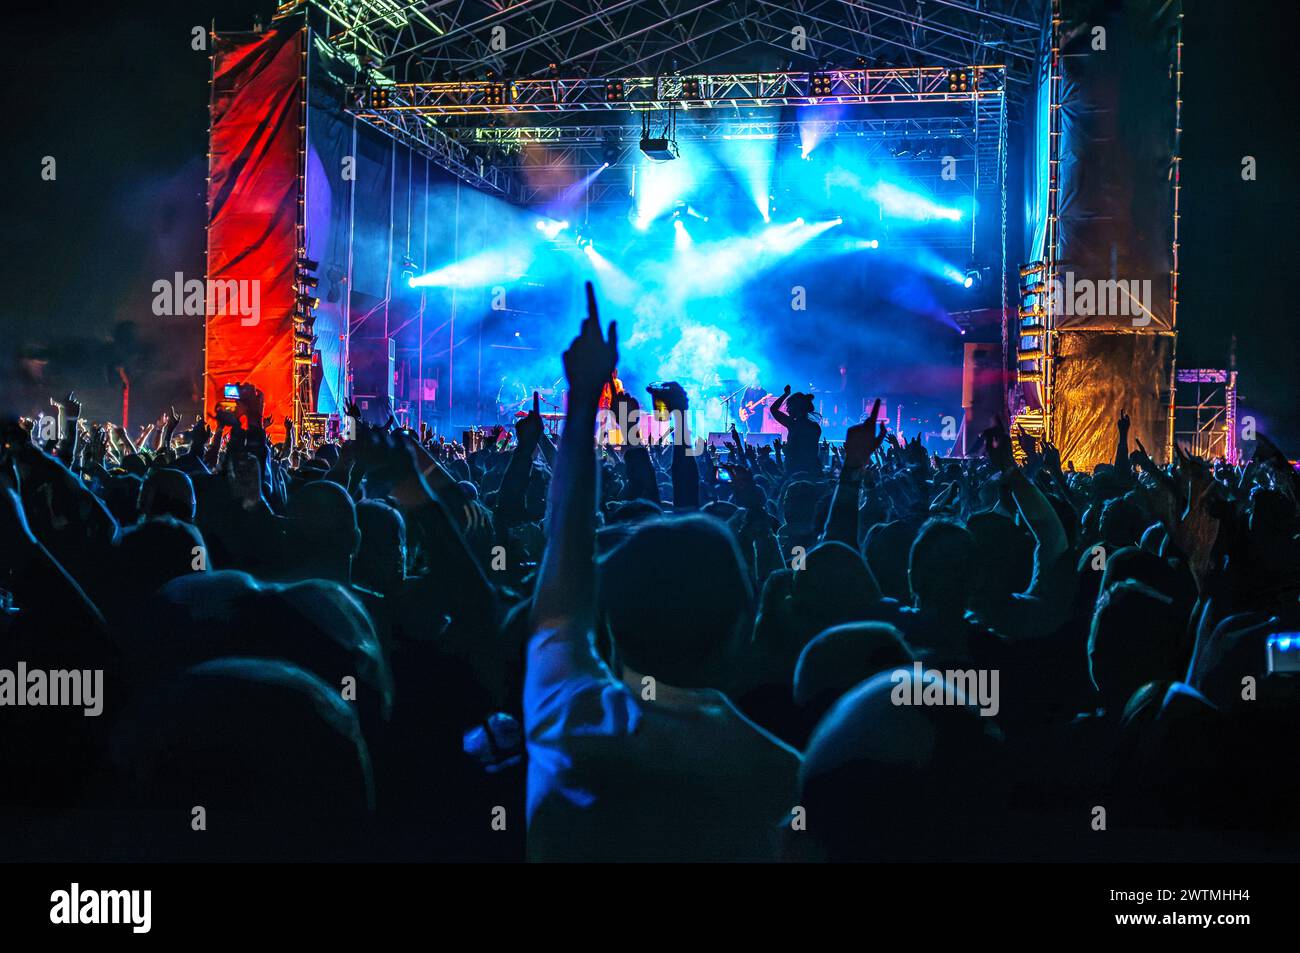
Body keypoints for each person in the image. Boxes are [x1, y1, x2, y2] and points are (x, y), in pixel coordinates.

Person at [523, 284, 801, 861]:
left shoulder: (571, 718)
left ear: (613, 623)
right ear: (743, 627)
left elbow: (562, 578)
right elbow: (681, 509)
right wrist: (674, 425)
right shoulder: (783, 775)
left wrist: (585, 401)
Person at [769, 385, 821, 475]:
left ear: (797, 408)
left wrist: (786, 394)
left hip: (794, 470)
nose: (788, 410)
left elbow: (773, 409)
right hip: (812, 470)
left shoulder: (793, 425)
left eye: (789, 407)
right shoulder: (815, 427)